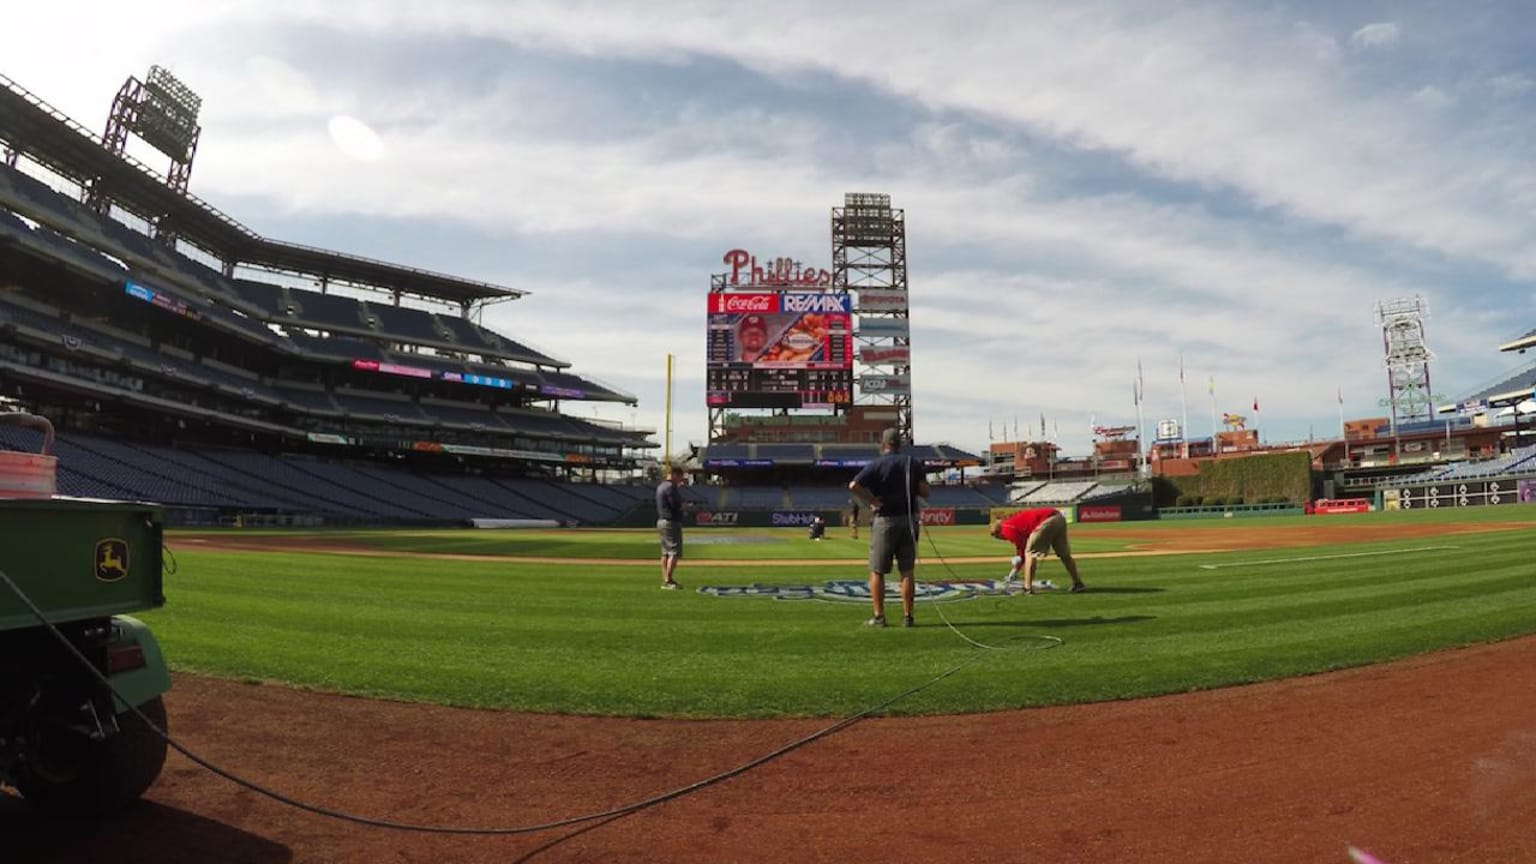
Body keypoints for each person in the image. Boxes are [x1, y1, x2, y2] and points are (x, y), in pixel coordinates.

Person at [848, 428, 930, 628]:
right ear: (900, 444)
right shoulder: (912, 463)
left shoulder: (877, 464)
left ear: (884, 444)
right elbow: (925, 491)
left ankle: (879, 617)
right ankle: (908, 617)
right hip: (908, 520)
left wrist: (872, 500)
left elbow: (853, 485)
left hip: (885, 520)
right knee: (907, 571)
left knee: (877, 571)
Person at [989, 507, 1085, 595]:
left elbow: (1022, 549)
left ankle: (1027, 588)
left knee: (1030, 554)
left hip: (1047, 520)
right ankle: (1078, 583)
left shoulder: (1006, 530)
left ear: (998, 533)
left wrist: (1015, 569)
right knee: (1064, 555)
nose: (1004, 539)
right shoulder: (1010, 524)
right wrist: (1016, 568)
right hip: (1058, 517)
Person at [655, 465, 687, 589]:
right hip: (671, 522)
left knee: (665, 553)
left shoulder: (661, 486)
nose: (681, 480)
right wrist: (684, 506)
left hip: (661, 521)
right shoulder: (670, 487)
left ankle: (667, 579)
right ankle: (668, 581)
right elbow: (675, 504)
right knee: (674, 552)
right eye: (680, 477)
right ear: (674, 475)